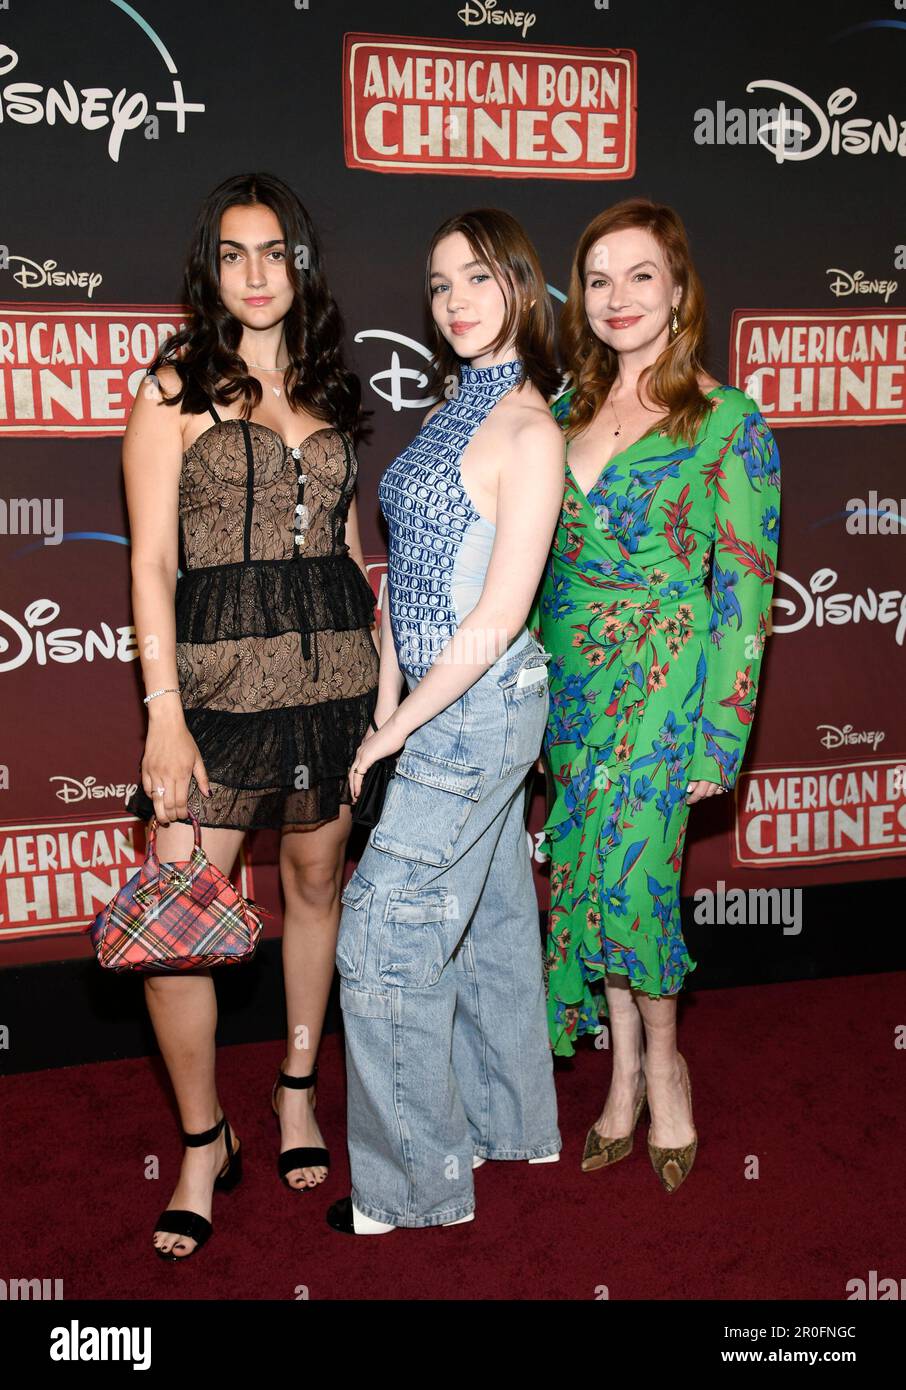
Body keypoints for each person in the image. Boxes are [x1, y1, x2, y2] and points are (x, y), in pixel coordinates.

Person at [122, 172, 379, 1258]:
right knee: (176, 933)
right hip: (214, 697)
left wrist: (392, 696)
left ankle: (293, 1087)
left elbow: (352, 555)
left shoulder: (330, 387)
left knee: (316, 887)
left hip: (334, 683)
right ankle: (200, 1138)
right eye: (234, 254)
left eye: (274, 251)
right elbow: (148, 562)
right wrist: (162, 714)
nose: (256, 274)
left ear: (300, 265)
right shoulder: (173, 386)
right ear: (210, 270)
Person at [326, 209, 565, 1235]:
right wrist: (385, 696)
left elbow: (498, 614)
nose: (457, 300)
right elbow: (407, 582)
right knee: (493, 919)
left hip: (477, 709)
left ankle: (415, 1186)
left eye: (478, 278)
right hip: (436, 700)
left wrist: (394, 734)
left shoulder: (527, 427)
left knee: (379, 937)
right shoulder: (446, 413)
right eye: (439, 285)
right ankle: (514, 1124)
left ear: (520, 283)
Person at [533, 198, 781, 1191]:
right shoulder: (557, 414)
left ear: (680, 290)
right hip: (571, 687)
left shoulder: (729, 422)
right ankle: (622, 1062)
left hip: (668, 685)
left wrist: (722, 738)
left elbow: (745, 597)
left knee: (639, 882)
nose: (619, 297)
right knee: (590, 874)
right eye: (598, 279)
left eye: (642, 275)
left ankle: (662, 1066)